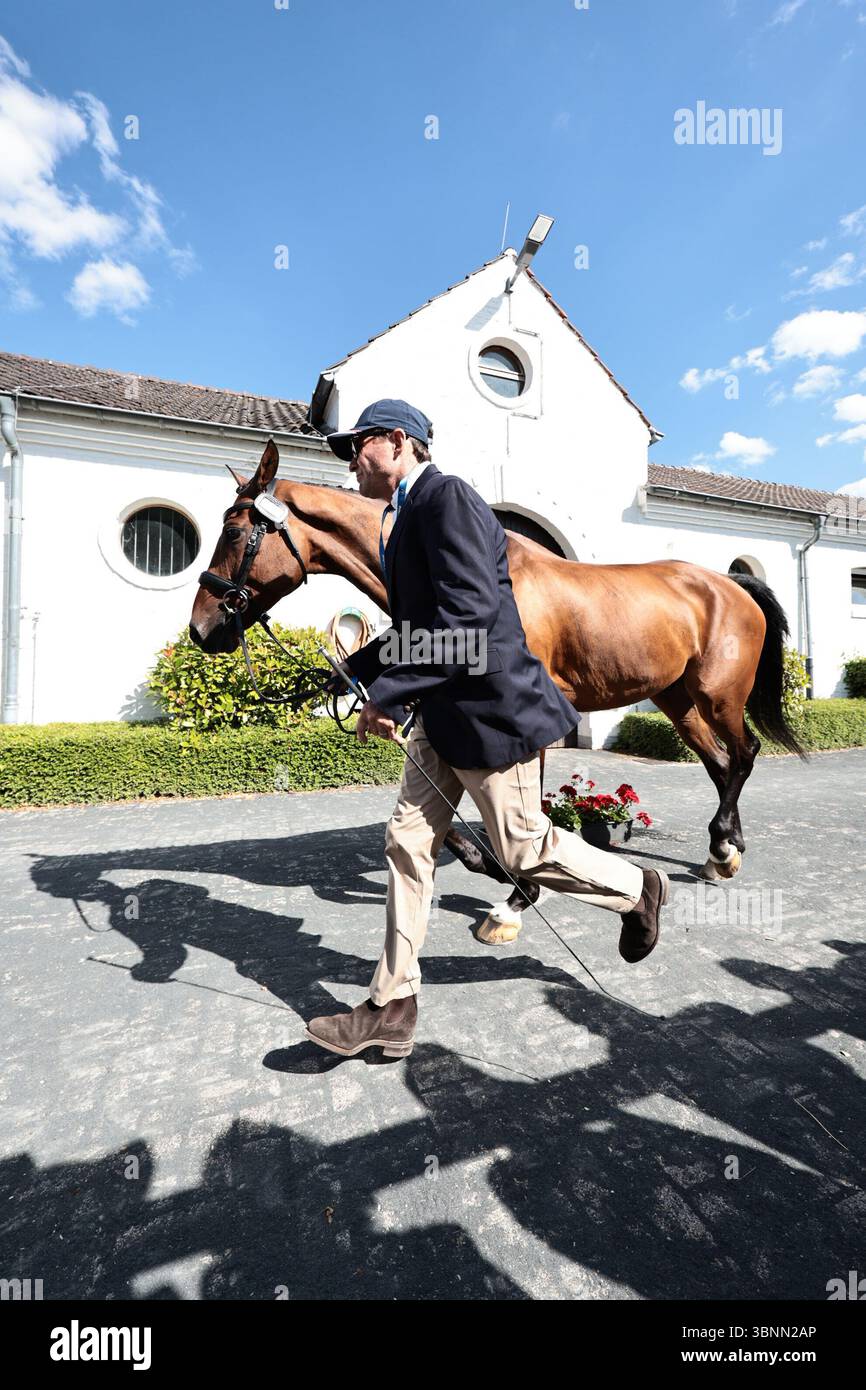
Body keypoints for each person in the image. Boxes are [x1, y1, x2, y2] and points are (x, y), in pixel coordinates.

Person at [306, 399, 668, 1059]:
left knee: (524, 851)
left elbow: (469, 620)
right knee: (406, 843)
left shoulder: (448, 499)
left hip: (490, 714)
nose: (349, 461)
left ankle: (637, 888)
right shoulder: (406, 515)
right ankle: (392, 1004)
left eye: (355, 446)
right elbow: (421, 625)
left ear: (397, 441)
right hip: (440, 717)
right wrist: (356, 668)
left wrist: (390, 692)